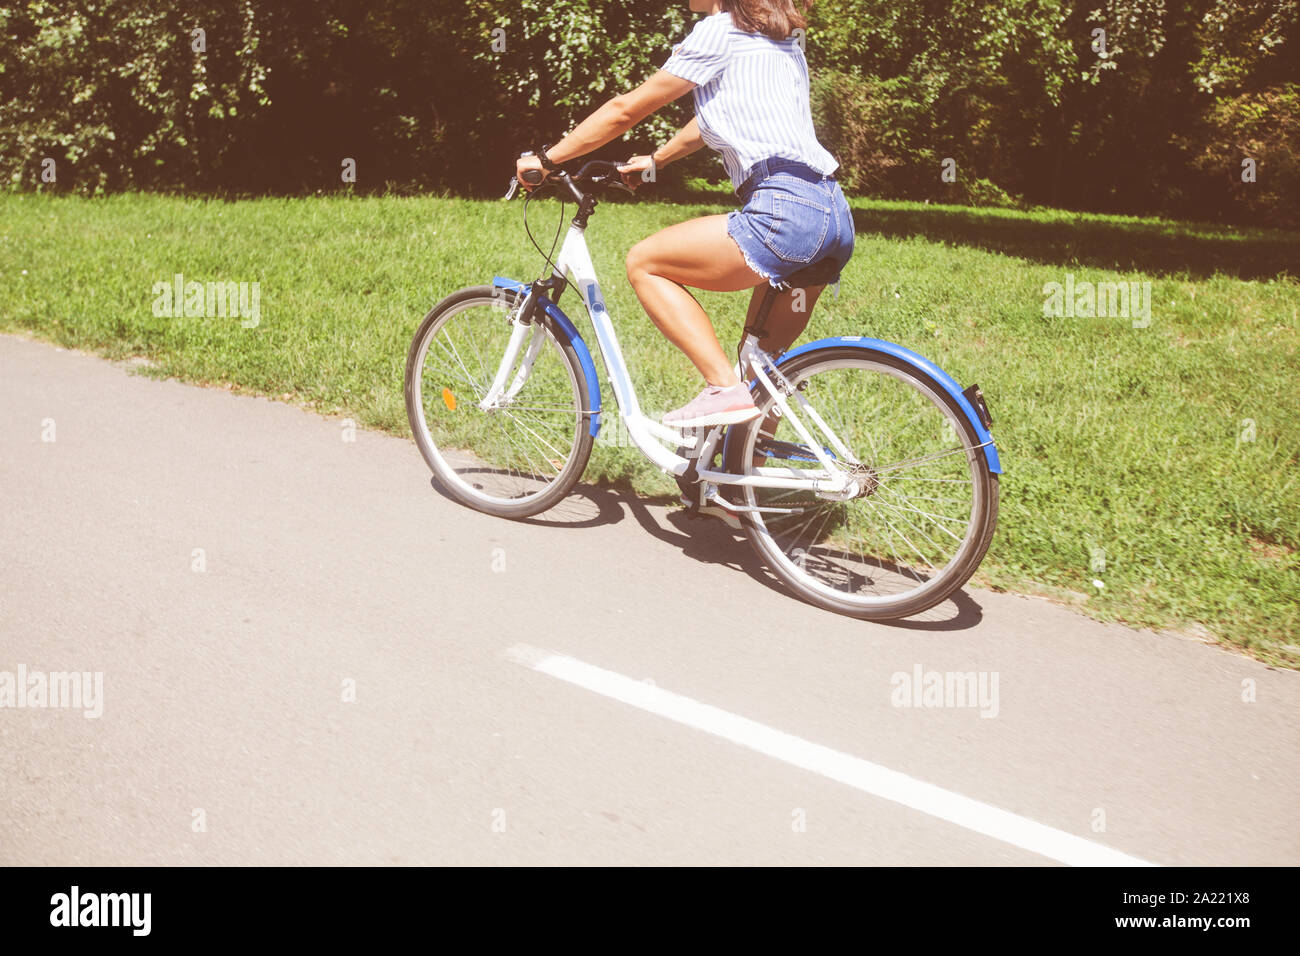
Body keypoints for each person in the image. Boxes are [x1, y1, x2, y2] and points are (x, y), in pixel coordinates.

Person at [515, 0, 854, 428]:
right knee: (762, 376)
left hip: (784, 210)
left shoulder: (719, 29)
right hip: (832, 214)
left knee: (645, 263)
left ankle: (721, 387)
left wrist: (547, 159)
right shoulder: (780, 38)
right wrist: (657, 159)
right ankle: (743, 478)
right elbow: (718, 116)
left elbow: (626, 110)